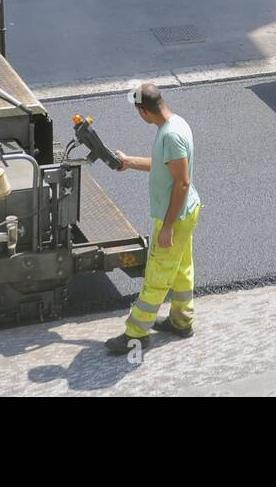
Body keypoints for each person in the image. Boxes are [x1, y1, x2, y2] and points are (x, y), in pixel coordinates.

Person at [105, 82, 202, 354]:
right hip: (184, 211)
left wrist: (168, 226)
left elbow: (182, 182)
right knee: (181, 268)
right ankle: (182, 321)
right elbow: (164, 165)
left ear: (143, 111)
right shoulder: (175, 124)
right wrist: (129, 161)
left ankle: (136, 334)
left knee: (157, 274)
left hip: (176, 215)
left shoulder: (170, 135)